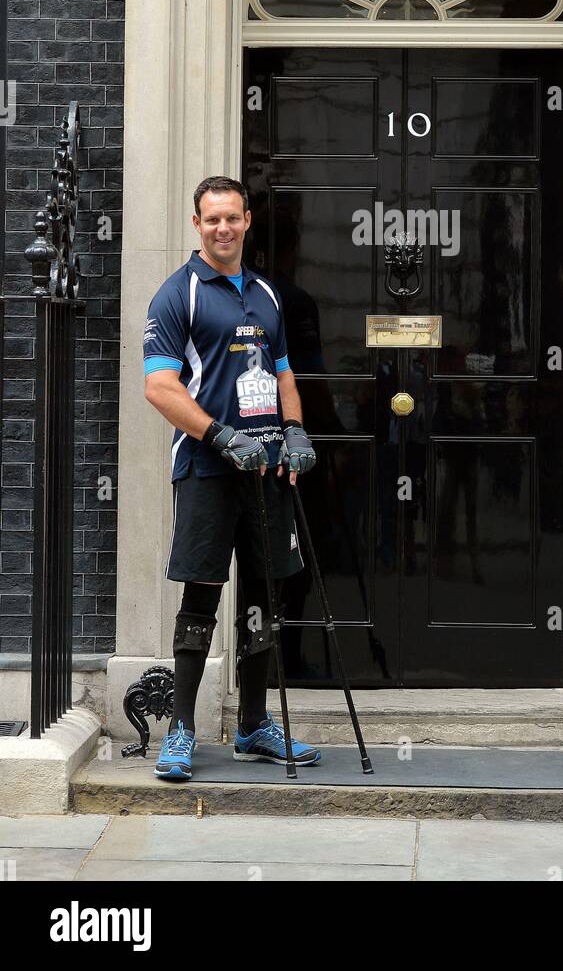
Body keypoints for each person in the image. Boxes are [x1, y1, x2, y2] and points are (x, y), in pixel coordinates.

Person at [142, 175, 320, 780]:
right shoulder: (178, 295)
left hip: (267, 472)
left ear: (247, 221)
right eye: (212, 219)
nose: (223, 228)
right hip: (206, 472)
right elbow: (159, 387)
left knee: (265, 599)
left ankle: (253, 726)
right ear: (197, 224)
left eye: (233, 218)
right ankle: (181, 732)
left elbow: (284, 373)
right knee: (200, 598)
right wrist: (219, 436)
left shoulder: (268, 294)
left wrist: (294, 430)